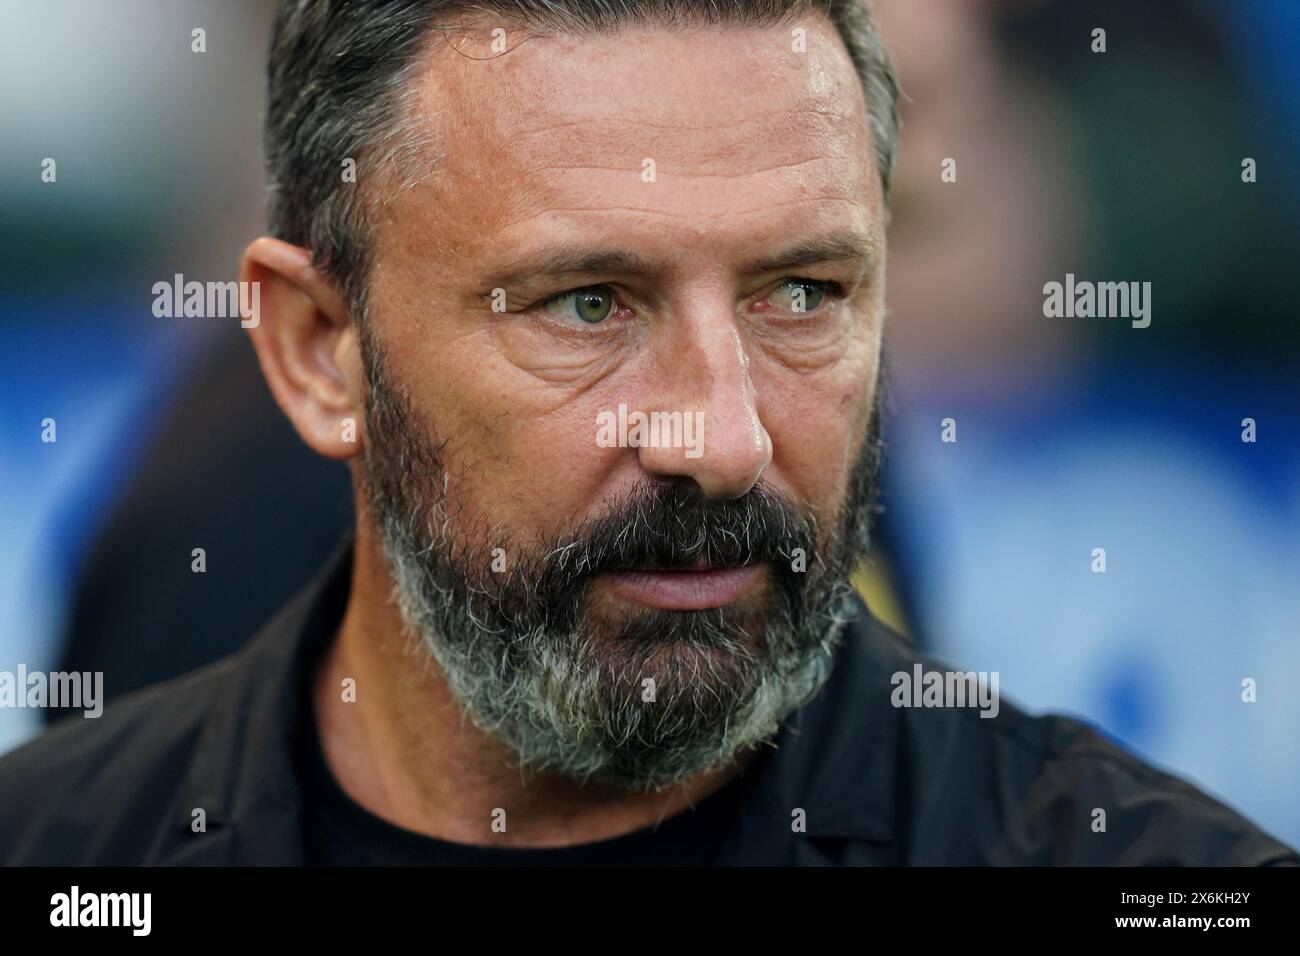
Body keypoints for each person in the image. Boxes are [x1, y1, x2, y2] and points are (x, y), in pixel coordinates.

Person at [0, 0, 1293, 866]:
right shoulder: (101, 801)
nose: (723, 438)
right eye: (587, 305)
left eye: (804, 292)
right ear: (319, 350)